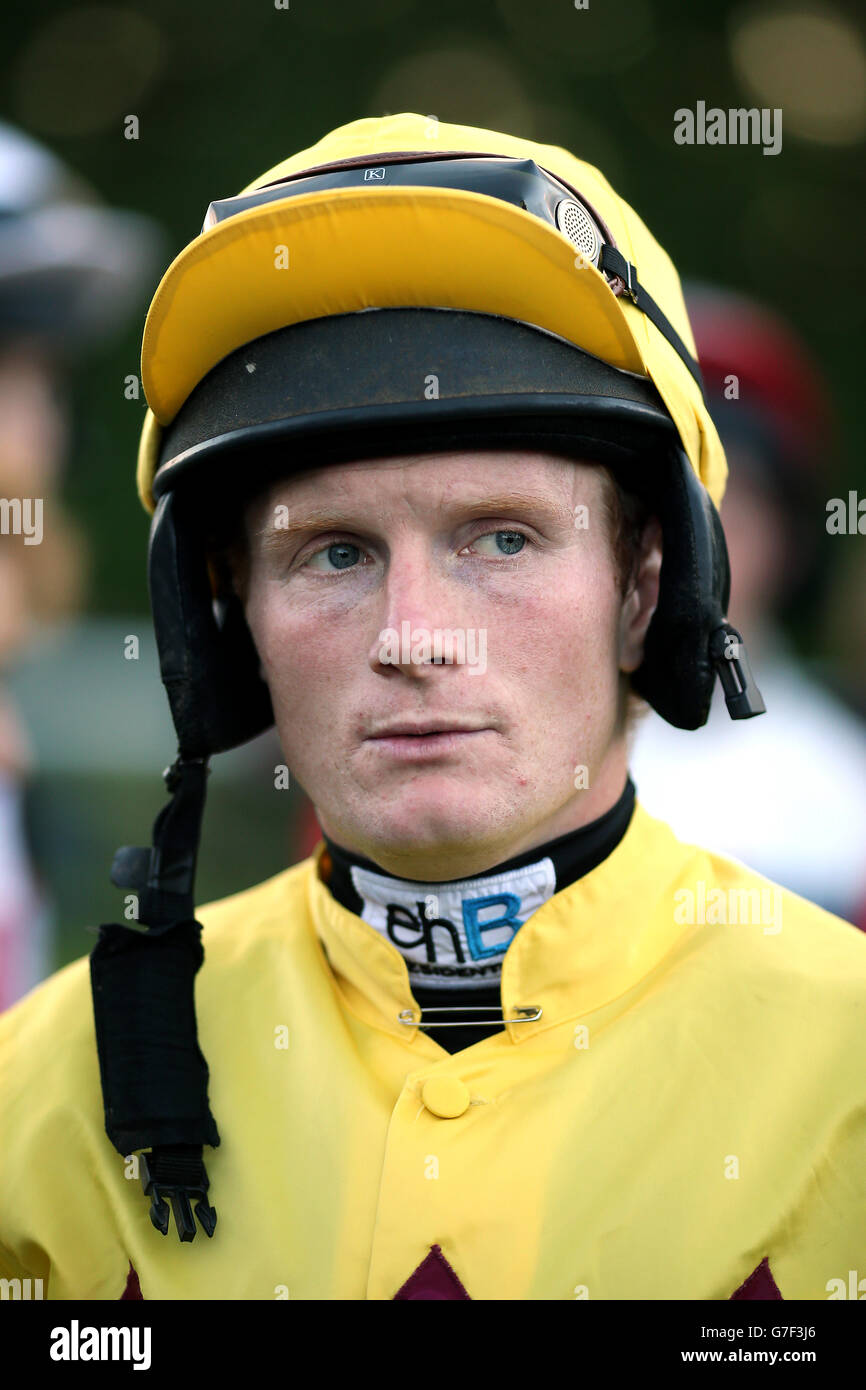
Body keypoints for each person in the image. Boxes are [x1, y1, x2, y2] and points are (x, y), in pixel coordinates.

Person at [0, 114, 864, 1302]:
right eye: (336, 554)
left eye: (499, 538)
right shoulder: (44, 1088)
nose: (413, 636)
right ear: (228, 620)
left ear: (643, 592)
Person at [630, 283, 866, 923]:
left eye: (731, 500)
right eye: (666, 499)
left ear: (791, 542)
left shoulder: (844, 783)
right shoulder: (511, 750)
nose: (691, 537)